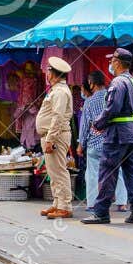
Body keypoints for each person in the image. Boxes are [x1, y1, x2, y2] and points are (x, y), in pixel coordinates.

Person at [83, 48, 133, 225]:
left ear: (117, 63)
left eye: (112, 61)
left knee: (107, 171)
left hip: (118, 134)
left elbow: (112, 108)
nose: (110, 64)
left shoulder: (118, 83)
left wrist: (98, 124)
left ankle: (101, 212)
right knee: (131, 171)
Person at [77, 71, 125, 210]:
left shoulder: (89, 102)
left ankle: (92, 204)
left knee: (92, 174)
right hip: (113, 141)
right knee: (118, 171)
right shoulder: (113, 98)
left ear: (91, 84)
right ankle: (121, 203)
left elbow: (85, 126)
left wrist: (81, 144)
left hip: (94, 144)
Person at [35, 57, 75, 219]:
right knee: (53, 171)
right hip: (51, 136)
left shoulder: (60, 92)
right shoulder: (56, 90)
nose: (47, 73)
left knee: (59, 171)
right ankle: (58, 203)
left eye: (49, 71)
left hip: (56, 137)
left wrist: (50, 139)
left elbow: (58, 117)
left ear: (54, 74)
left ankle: (65, 206)